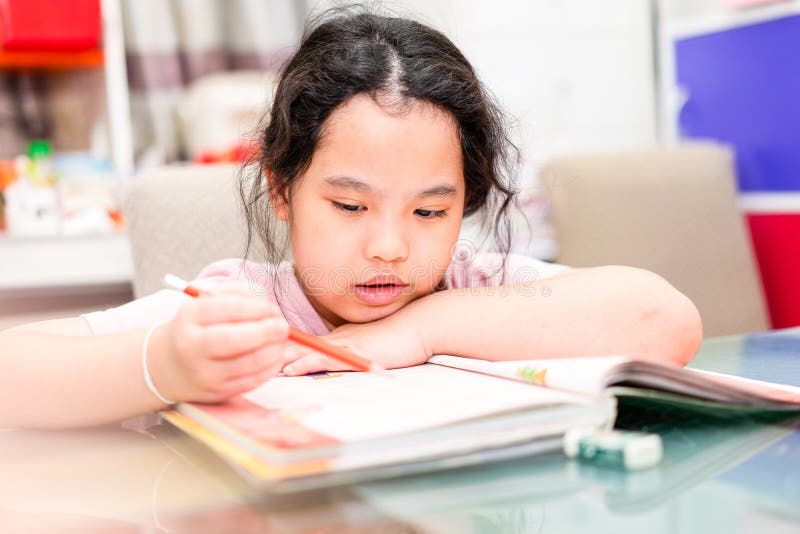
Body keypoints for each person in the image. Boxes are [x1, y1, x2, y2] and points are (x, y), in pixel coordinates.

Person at [0, 8, 702, 428]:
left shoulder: (471, 287)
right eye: (349, 205)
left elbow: (663, 319)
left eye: (432, 209)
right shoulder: (241, 305)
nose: (392, 246)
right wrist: (165, 363)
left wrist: (418, 329)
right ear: (281, 190)